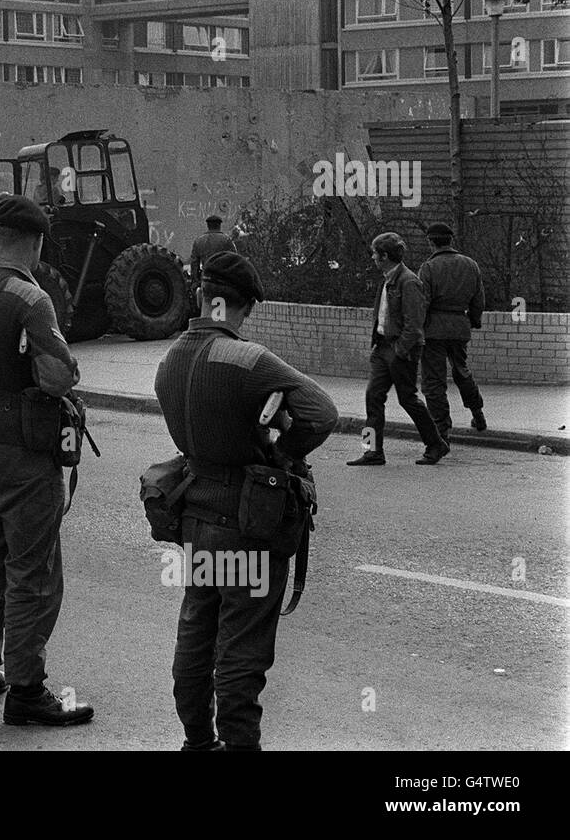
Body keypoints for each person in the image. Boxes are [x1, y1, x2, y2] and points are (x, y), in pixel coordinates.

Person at [154, 251, 338, 750]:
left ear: (200, 297)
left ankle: (198, 740)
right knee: (241, 650)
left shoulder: (170, 357)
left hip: (196, 514)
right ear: (247, 307)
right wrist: (283, 448)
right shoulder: (245, 357)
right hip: (248, 522)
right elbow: (323, 413)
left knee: (196, 632)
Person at [0, 196, 92, 726]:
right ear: (33, 243)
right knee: (33, 572)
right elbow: (58, 376)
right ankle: (27, 690)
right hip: (26, 450)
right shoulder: (31, 297)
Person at [347, 232, 450, 467]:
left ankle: (436, 443)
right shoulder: (387, 278)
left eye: (375, 253)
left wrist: (399, 351)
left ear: (384, 256)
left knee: (408, 399)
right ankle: (371, 451)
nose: (372, 257)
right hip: (382, 347)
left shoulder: (409, 281)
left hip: (400, 349)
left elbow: (415, 323)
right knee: (372, 397)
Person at [418, 222, 487, 441]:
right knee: (462, 371)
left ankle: (441, 430)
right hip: (460, 327)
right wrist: (473, 320)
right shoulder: (470, 265)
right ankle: (478, 413)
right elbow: (479, 300)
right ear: (451, 240)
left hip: (433, 331)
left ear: (431, 242)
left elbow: (423, 303)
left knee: (434, 381)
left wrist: (417, 329)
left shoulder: (428, 268)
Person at [189, 215, 236, 288]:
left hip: (205, 279)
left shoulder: (198, 241)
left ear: (208, 225)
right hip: (222, 280)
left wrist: (196, 281)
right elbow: (234, 260)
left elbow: (194, 263)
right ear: (219, 225)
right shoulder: (226, 240)